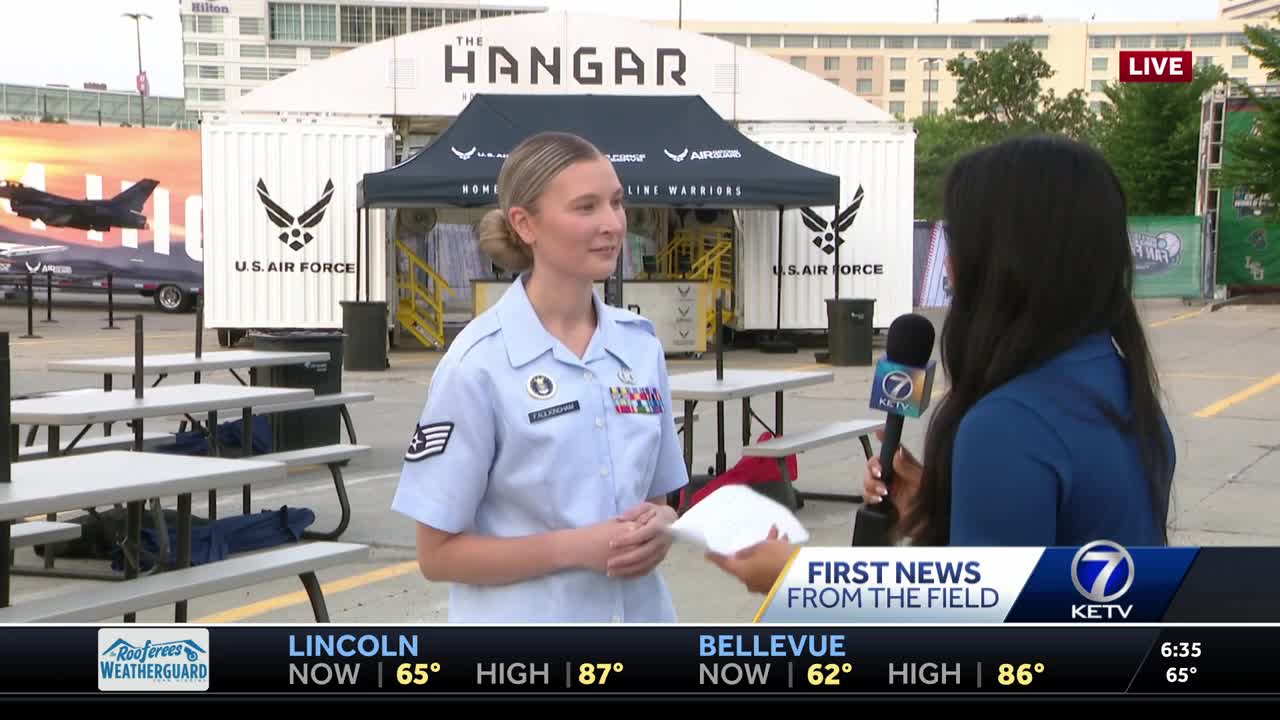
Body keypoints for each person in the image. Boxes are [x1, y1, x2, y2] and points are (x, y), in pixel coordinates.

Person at [708, 135, 1177, 590]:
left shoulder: (1009, 425)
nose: (949, 266)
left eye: (959, 240)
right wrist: (944, 518)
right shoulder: (1119, 381)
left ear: (1009, 261)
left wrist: (799, 579)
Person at [391, 131, 688, 621]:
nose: (612, 224)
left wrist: (663, 523)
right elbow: (438, 554)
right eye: (585, 207)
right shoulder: (479, 365)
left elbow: (654, 501)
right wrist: (575, 548)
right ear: (525, 224)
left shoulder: (640, 348)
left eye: (616, 202)